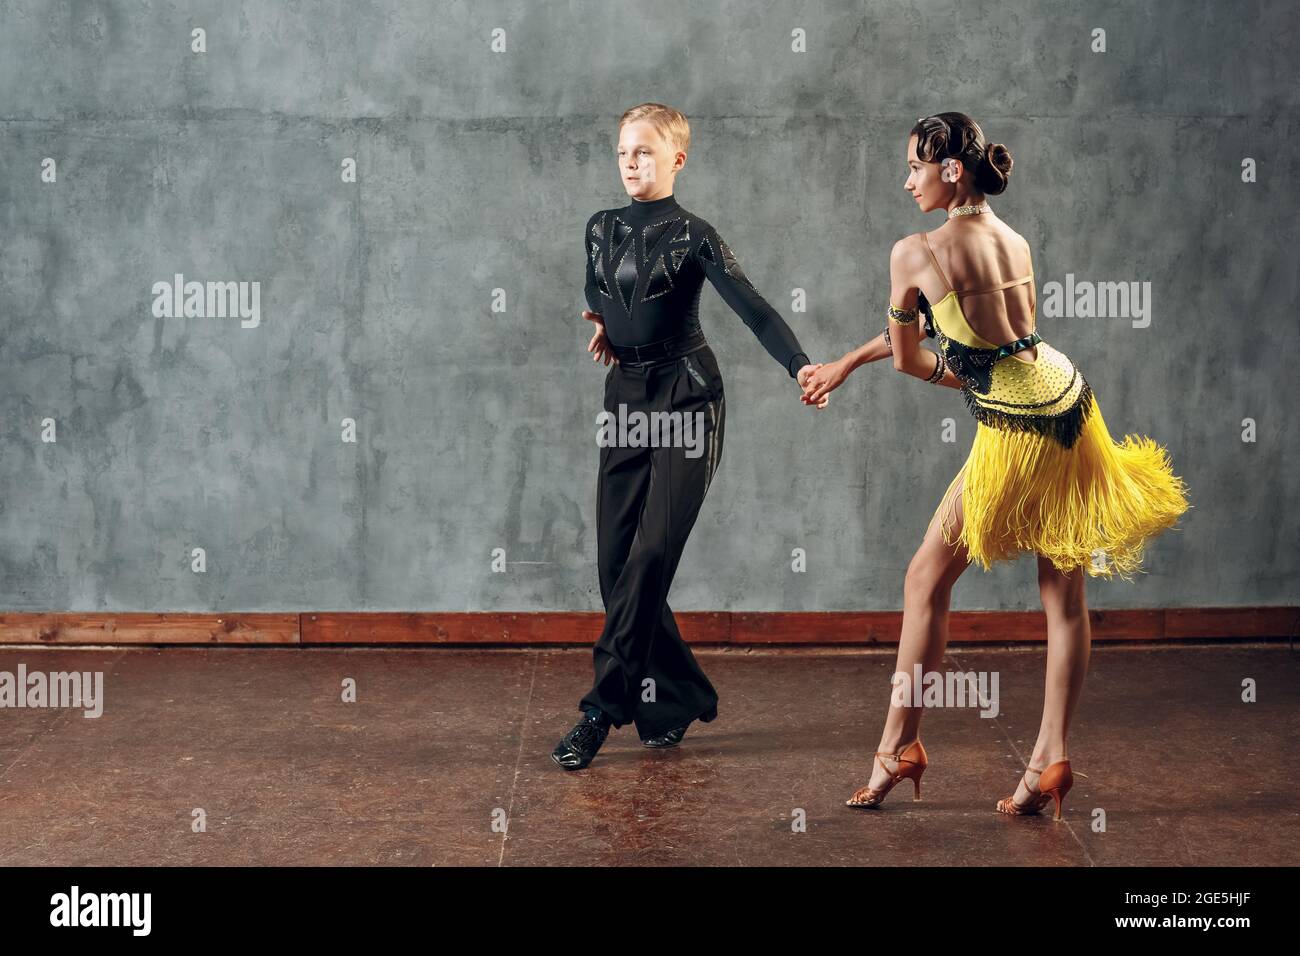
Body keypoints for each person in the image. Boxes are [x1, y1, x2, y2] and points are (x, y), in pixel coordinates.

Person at [801, 112, 1191, 817]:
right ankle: (1049, 759)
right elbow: (985, 343)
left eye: (915, 166)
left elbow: (925, 355)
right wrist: (853, 359)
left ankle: (897, 748)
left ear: (951, 170)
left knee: (925, 577)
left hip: (1016, 429)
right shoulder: (1013, 238)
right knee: (1063, 599)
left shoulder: (913, 251)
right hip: (1069, 398)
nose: (907, 179)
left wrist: (891, 366)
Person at [551, 103, 826, 770]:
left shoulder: (695, 233)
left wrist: (800, 364)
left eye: (644, 152)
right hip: (626, 400)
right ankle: (677, 696)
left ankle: (600, 710)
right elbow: (603, 293)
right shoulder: (600, 227)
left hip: (687, 399)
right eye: (622, 152)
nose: (630, 163)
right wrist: (603, 326)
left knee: (648, 558)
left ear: (677, 159)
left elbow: (752, 305)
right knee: (615, 565)